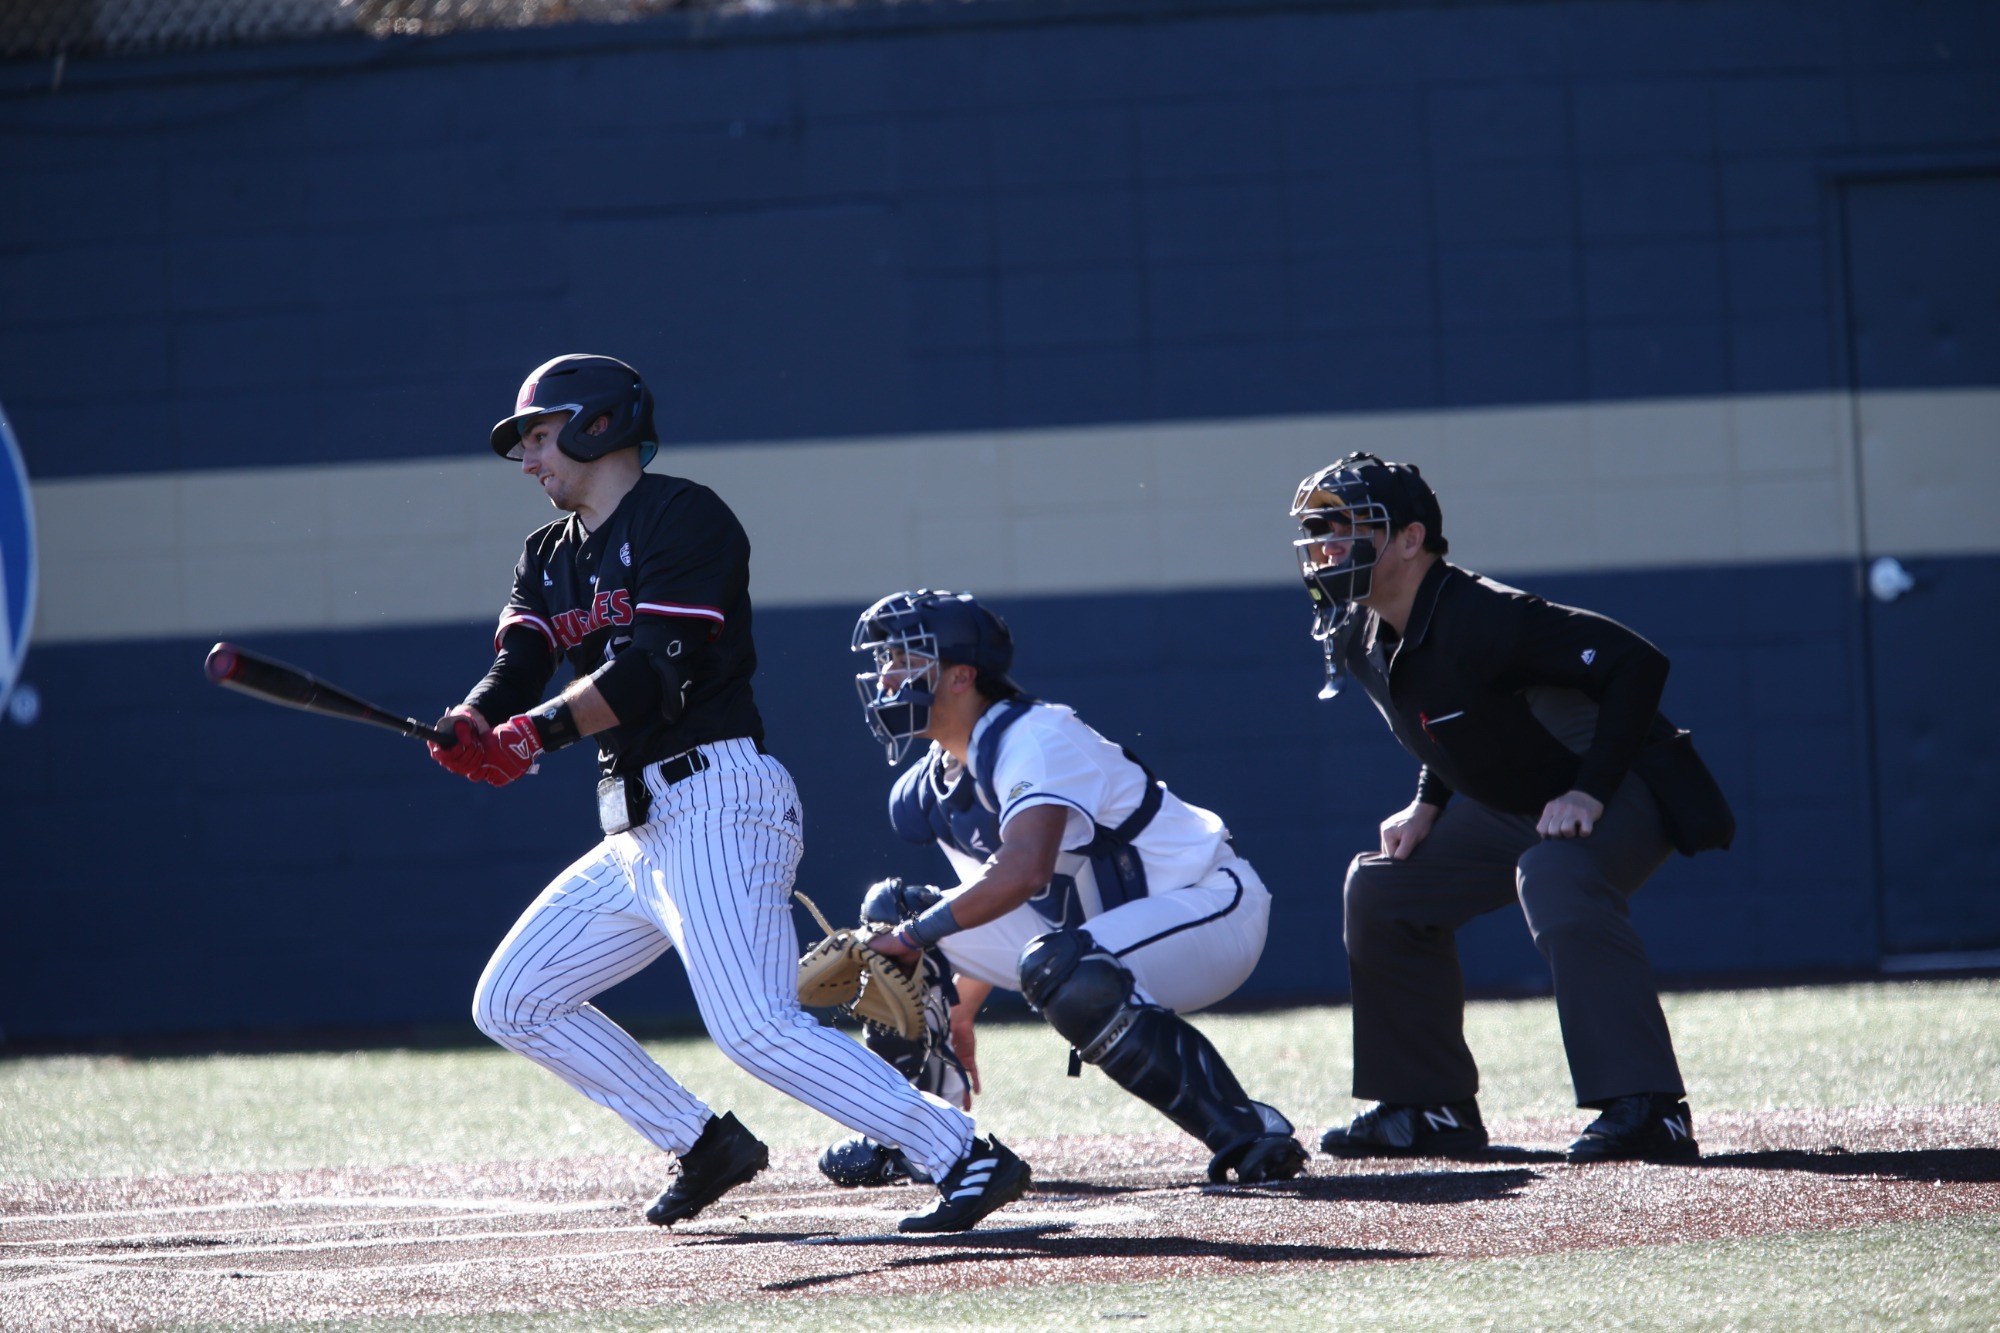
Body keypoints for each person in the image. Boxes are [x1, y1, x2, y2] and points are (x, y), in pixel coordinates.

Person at [425, 355, 1030, 1234]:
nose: (528, 460)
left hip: (717, 800)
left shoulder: (685, 516)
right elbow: (520, 660)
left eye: (541, 437)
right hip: (637, 831)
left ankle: (962, 1151)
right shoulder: (545, 554)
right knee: (513, 999)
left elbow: (652, 668)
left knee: (754, 1026)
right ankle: (703, 1143)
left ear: (598, 425)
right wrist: (477, 718)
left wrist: (533, 735)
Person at [1290, 452, 1734, 1164]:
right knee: (1382, 888)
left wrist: (1589, 789)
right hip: (1524, 800)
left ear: (1410, 539)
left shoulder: (1484, 615)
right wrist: (1428, 801)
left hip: (1621, 784)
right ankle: (1428, 1106)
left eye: (1347, 527)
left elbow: (1636, 661)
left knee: (1554, 872)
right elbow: (1453, 722)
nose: (1327, 546)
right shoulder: (1363, 631)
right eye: (1321, 530)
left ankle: (1650, 1108)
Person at [819, 589, 1309, 1188]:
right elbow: (986, 899)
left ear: (961, 675)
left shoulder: (1034, 735)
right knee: (892, 911)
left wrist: (914, 937)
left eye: (904, 659)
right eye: (884, 660)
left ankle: (1248, 1130)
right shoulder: (933, 784)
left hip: (1210, 909)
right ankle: (918, 1131)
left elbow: (1024, 870)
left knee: (1050, 963)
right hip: (1090, 940)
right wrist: (957, 1009)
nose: (886, 677)